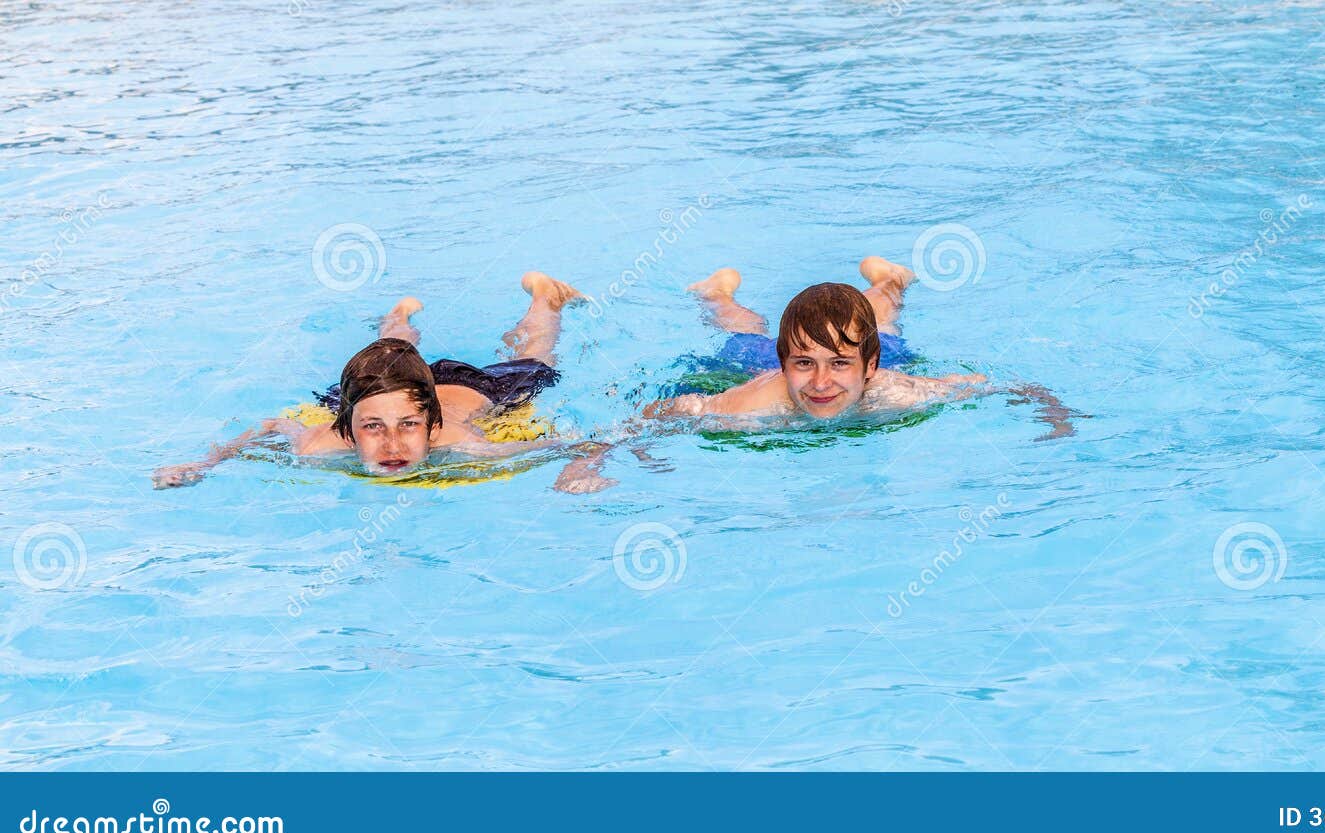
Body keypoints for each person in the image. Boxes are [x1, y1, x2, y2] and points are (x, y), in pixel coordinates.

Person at [552, 256, 1079, 491]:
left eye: (840, 365)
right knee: (743, 341)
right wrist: (586, 463)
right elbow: (657, 415)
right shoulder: (750, 404)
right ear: (786, 364)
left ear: (869, 370)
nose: (821, 383)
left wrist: (1055, 419)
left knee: (884, 325)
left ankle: (890, 280)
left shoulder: (899, 390)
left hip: (873, 350)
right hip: (757, 362)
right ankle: (717, 294)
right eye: (804, 365)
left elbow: (1009, 385)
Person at [152, 272, 604, 492]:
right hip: (386, 390)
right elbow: (271, 426)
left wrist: (579, 469)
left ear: (431, 425)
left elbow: (588, 443)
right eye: (372, 428)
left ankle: (547, 296)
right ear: (347, 428)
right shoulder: (315, 445)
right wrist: (204, 465)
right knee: (386, 358)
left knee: (532, 359)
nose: (392, 446)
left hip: (474, 391)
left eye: (409, 426)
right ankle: (399, 315)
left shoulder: (468, 445)